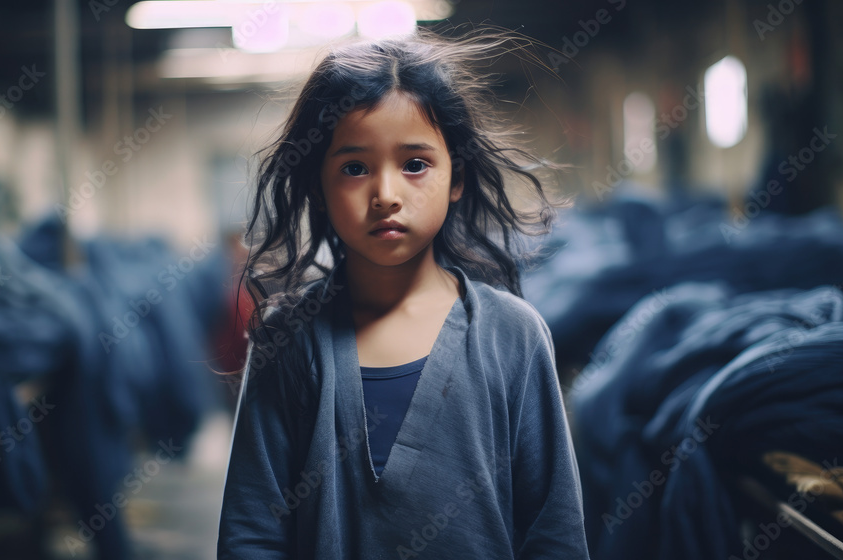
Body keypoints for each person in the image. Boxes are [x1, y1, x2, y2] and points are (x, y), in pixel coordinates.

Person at [218, 27, 589, 559]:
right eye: (354, 168)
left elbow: (553, 533)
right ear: (318, 189)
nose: (386, 195)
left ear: (455, 177)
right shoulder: (289, 339)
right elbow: (251, 533)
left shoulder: (513, 335)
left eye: (415, 164)